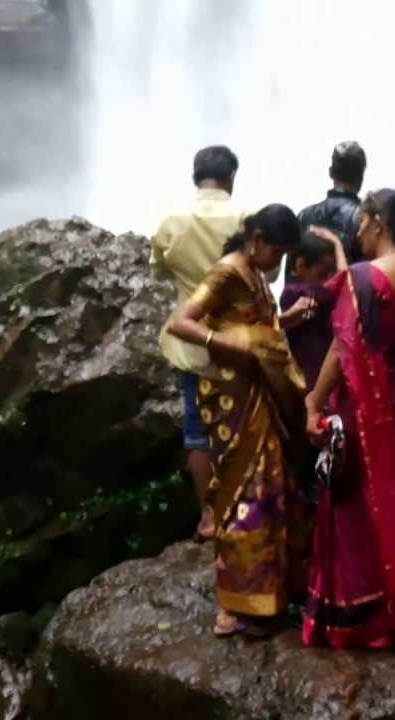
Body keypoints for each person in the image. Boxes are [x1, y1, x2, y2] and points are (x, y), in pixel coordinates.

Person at [166, 204, 308, 638]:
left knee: (271, 489)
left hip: (258, 395)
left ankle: (269, 592)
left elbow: (259, 328)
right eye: (277, 254)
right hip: (234, 401)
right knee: (241, 495)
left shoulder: (257, 277)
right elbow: (180, 323)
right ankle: (234, 605)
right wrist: (229, 345)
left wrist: (286, 319)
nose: (279, 265)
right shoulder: (227, 272)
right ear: (257, 240)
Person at [303, 188, 395, 649]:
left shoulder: (365, 277)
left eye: (361, 221)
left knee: (355, 506)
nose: (356, 228)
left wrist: (313, 402)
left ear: (377, 222)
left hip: (364, 406)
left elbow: (343, 348)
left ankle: (360, 618)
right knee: (394, 500)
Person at [152, 145, 247, 542]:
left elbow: (159, 269)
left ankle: (208, 516)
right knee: (237, 426)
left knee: (197, 431)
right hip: (235, 343)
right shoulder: (244, 219)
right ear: (230, 177)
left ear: (197, 177)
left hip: (189, 346)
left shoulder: (172, 223)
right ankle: (240, 508)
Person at [279, 229, 345, 385]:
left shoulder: (312, 291)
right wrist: (337, 244)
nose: (328, 279)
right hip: (309, 377)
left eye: (331, 273)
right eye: (323, 274)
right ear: (301, 265)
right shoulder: (296, 292)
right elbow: (343, 280)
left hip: (322, 373)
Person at [297, 141, 368, 263]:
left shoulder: (304, 215)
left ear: (330, 172)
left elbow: (292, 274)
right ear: (361, 177)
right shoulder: (366, 221)